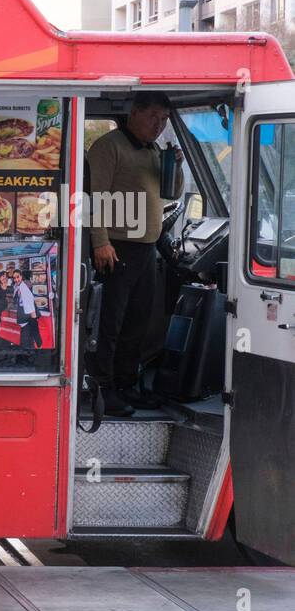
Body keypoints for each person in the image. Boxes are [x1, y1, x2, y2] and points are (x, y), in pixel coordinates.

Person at [87, 90, 184, 415]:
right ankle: (103, 390)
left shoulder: (154, 149)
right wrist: (100, 241)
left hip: (146, 249)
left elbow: (173, 192)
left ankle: (127, 384)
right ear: (135, 113)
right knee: (110, 323)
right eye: (154, 118)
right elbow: (94, 197)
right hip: (116, 247)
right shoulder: (109, 147)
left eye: (164, 120)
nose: (159, 126)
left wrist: (177, 167)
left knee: (137, 323)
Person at [12, 270, 42, 349]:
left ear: (21, 276)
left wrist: (38, 339)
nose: (16, 279)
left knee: (26, 346)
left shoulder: (24, 288)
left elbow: (32, 311)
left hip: (27, 324)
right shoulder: (19, 287)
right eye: (14, 278)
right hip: (25, 323)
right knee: (28, 345)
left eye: (17, 277)